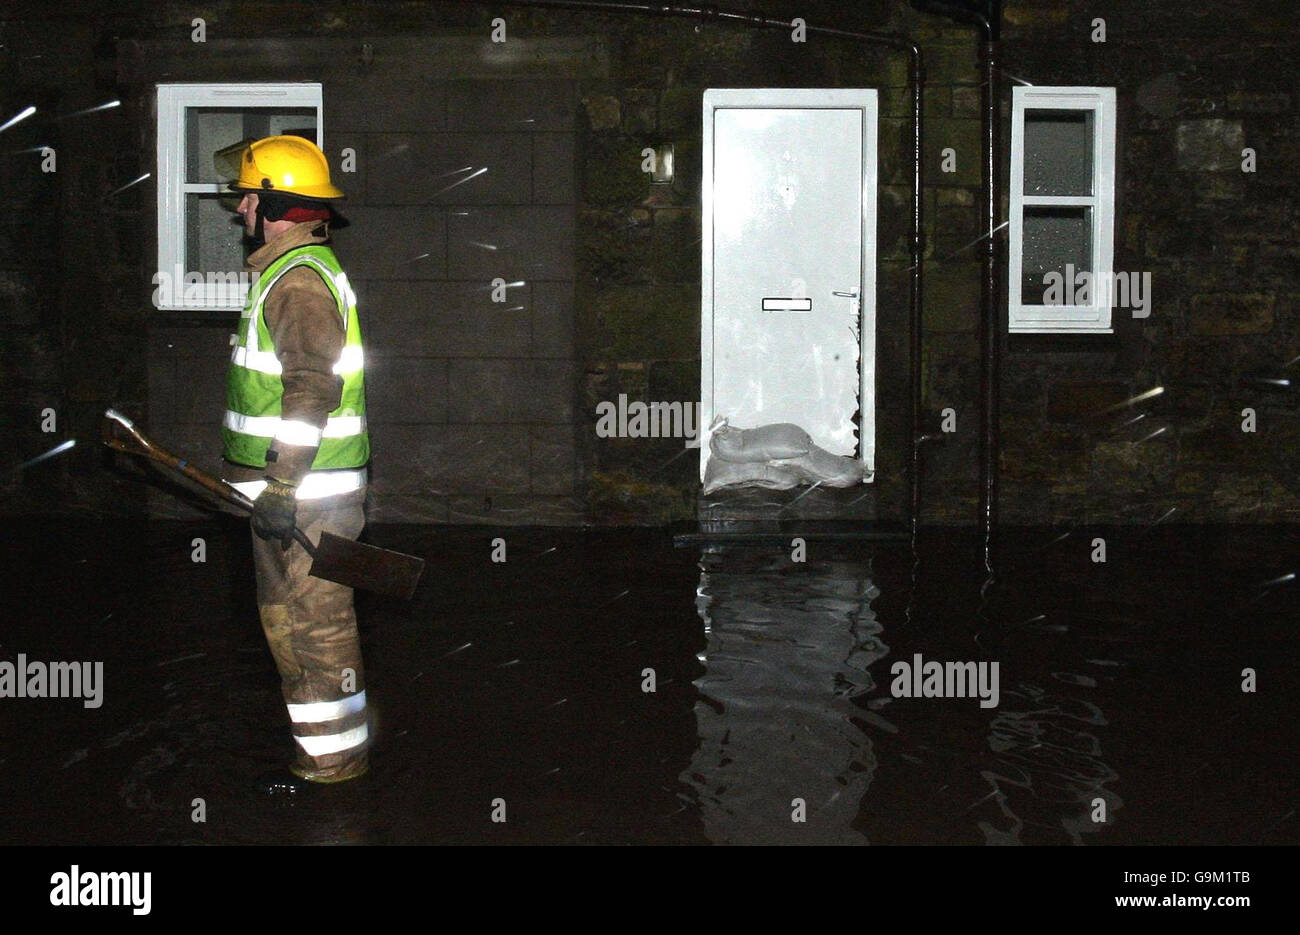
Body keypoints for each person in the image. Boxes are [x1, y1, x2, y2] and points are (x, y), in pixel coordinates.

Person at [220, 135, 371, 795]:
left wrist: (281, 485)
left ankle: (335, 766)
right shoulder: (288, 272)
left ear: (274, 202)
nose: (240, 208)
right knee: (290, 623)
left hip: (308, 496)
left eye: (248, 196)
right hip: (296, 495)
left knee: (317, 629)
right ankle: (322, 753)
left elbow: (309, 391)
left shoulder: (300, 282)